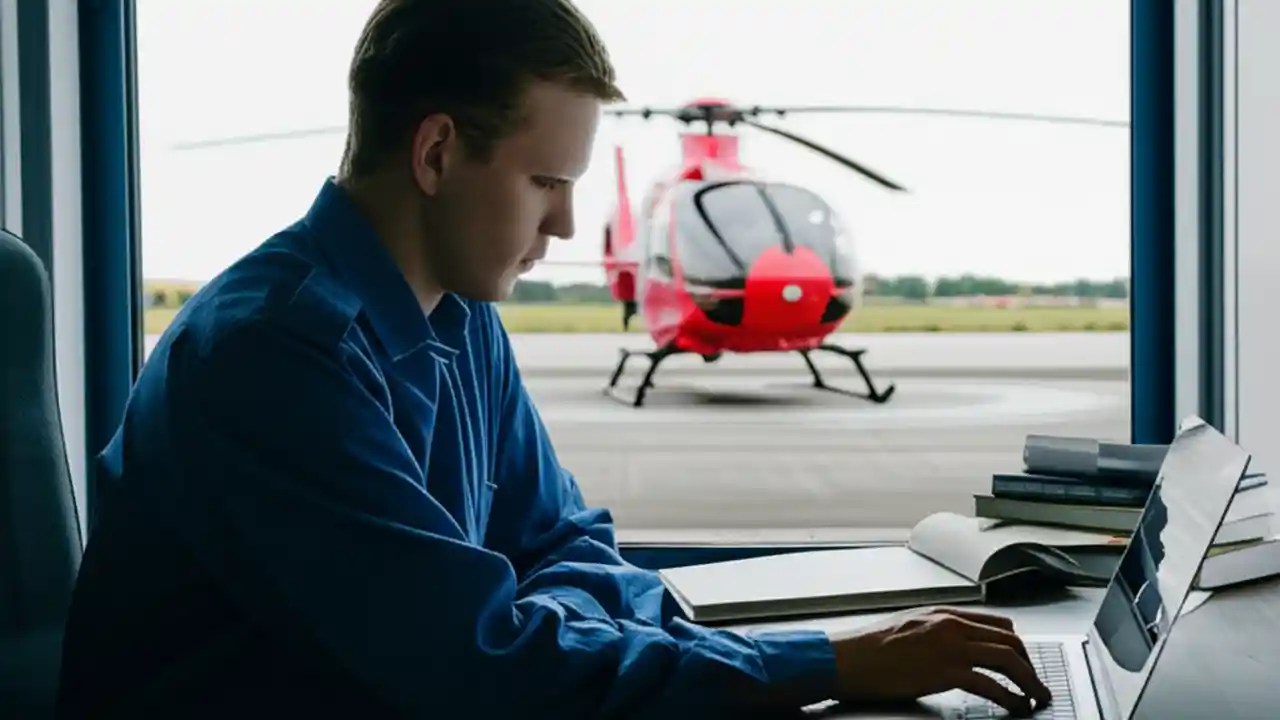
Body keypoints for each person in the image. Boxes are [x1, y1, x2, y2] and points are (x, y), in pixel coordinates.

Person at [56, 0, 1052, 717]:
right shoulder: (274, 353)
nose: (568, 227)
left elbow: (562, 544)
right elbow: (480, 666)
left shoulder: (455, 311)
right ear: (437, 154)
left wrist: (549, 625)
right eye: (544, 183)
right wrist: (827, 665)